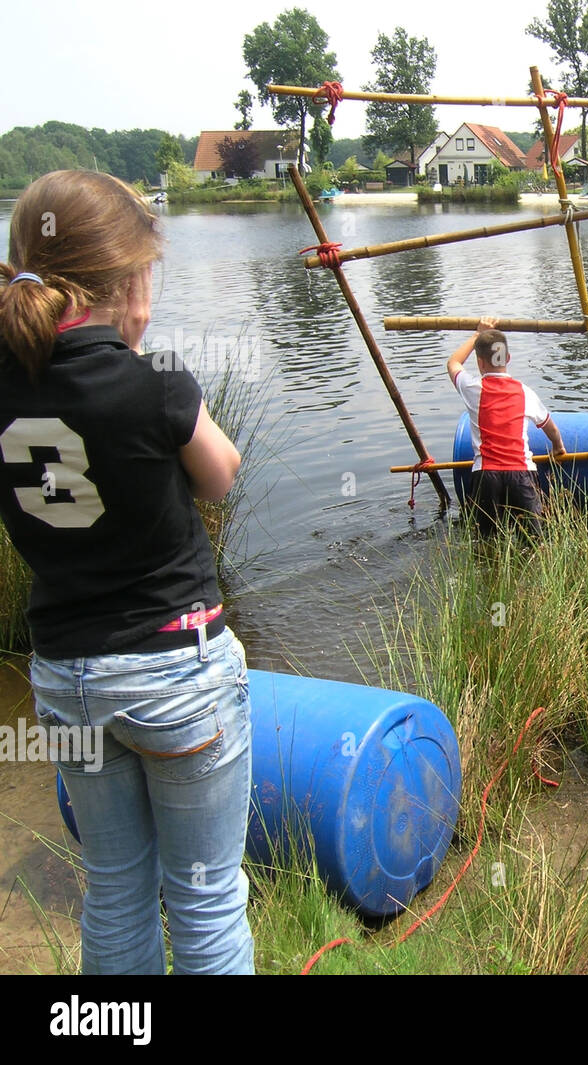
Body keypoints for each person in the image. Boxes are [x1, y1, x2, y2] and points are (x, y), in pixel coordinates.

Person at [0, 170, 251, 974]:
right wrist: (137, 355)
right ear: (126, 280)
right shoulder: (156, 386)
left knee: (113, 888)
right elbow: (221, 474)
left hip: (65, 674)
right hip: (175, 672)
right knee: (205, 898)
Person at [447, 317, 565, 537]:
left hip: (487, 475)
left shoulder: (473, 388)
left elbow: (453, 363)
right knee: (534, 540)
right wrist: (558, 447)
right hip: (520, 473)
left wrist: (476, 334)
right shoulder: (525, 392)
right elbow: (552, 429)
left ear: (480, 362)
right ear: (508, 358)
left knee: (487, 541)